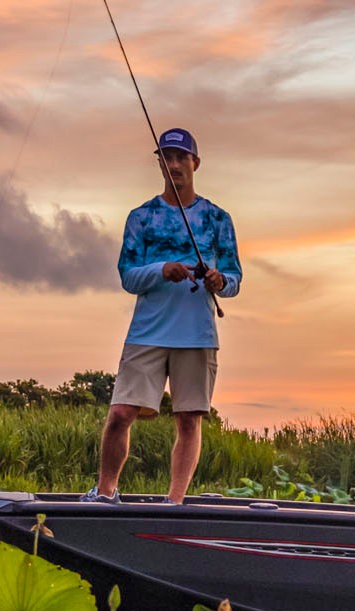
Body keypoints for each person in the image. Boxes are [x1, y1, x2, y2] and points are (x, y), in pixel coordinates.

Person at [86, 127, 243, 503]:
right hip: (147, 333)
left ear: (195, 163)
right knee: (120, 413)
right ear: (159, 163)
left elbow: (235, 279)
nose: (174, 165)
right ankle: (105, 494)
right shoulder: (140, 217)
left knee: (189, 420)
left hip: (198, 335)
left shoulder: (218, 218)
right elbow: (128, 277)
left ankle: (175, 502)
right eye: (166, 157)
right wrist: (162, 270)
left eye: (181, 158)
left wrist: (219, 280)